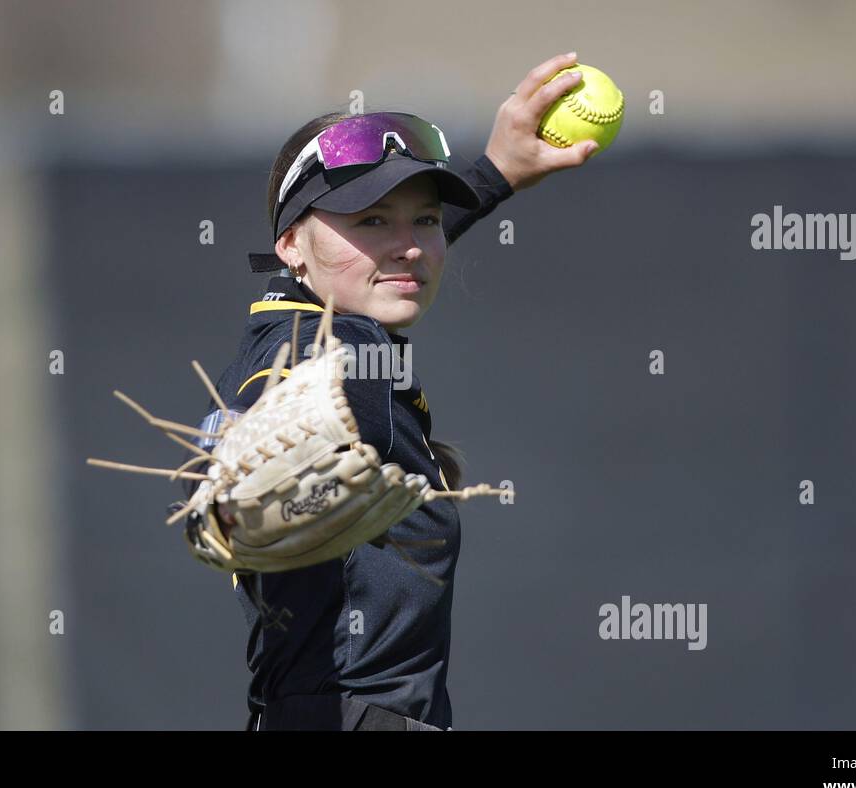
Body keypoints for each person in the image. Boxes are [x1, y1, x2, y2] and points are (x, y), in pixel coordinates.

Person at [191, 53, 600, 730]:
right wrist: (223, 483)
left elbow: (379, 265)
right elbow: (240, 439)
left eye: (427, 219)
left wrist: (493, 174)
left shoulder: (295, 318)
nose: (410, 246)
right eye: (373, 220)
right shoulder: (337, 348)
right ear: (291, 243)